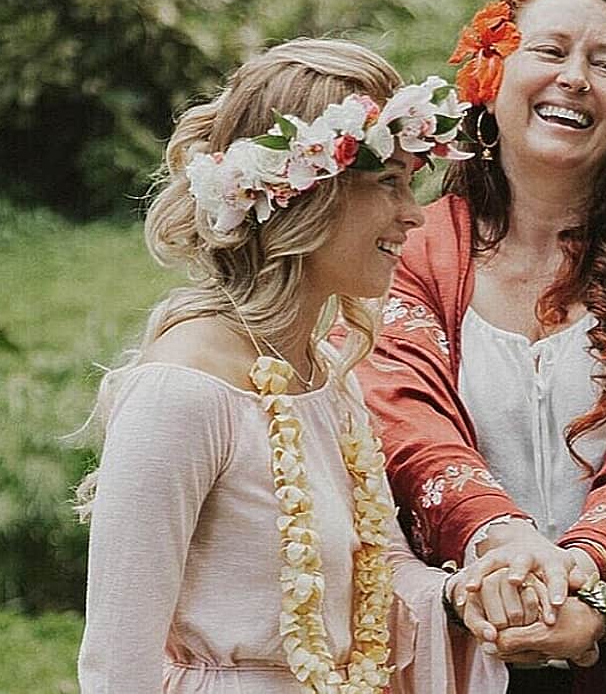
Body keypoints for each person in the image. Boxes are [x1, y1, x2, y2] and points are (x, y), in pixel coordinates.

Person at [355, 0, 606, 693]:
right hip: (457, 638)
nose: (576, 78)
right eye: (551, 51)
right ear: (487, 76)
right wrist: (502, 540)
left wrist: (578, 565)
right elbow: (403, 418)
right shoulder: (413, 246)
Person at [74, 38, 506, 694]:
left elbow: (377, 566)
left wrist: (459, 597)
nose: (413, 214)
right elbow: (116, 666)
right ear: (303, 194)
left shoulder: (325, 371)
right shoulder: (182, 390)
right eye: (388, 183)